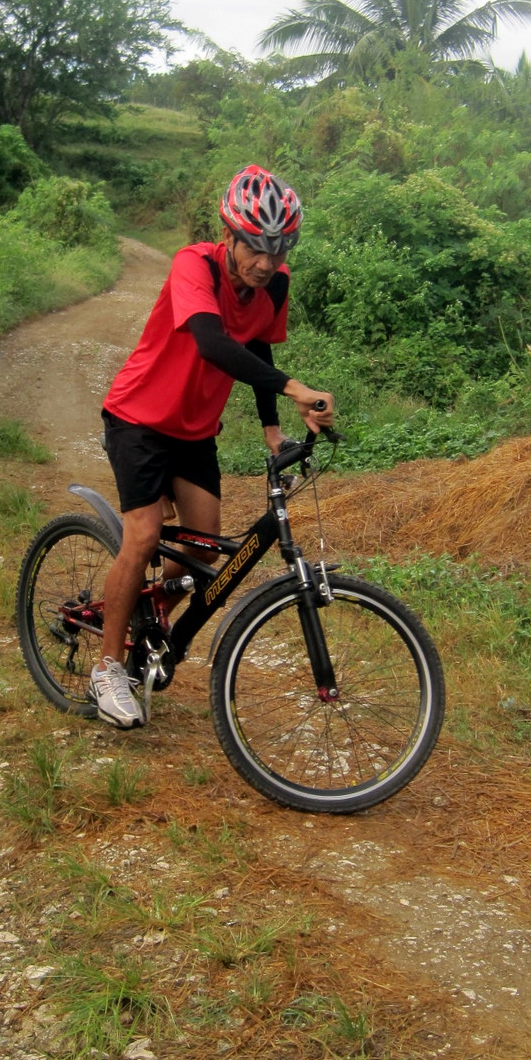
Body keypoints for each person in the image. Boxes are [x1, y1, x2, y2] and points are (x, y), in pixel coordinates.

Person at [92, 164, 334, 728]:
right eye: (256, 247)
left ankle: (148, 614)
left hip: (196, 429)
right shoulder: (193, 265)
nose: (266, 262)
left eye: (279, 249)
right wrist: (295, 388)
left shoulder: (274, 285)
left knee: (203, 549)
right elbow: (212, 341)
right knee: (143, 536)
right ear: (229, 235)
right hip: (138, 418)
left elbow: (259, 346)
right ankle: (107, 669)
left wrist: (272, 428)